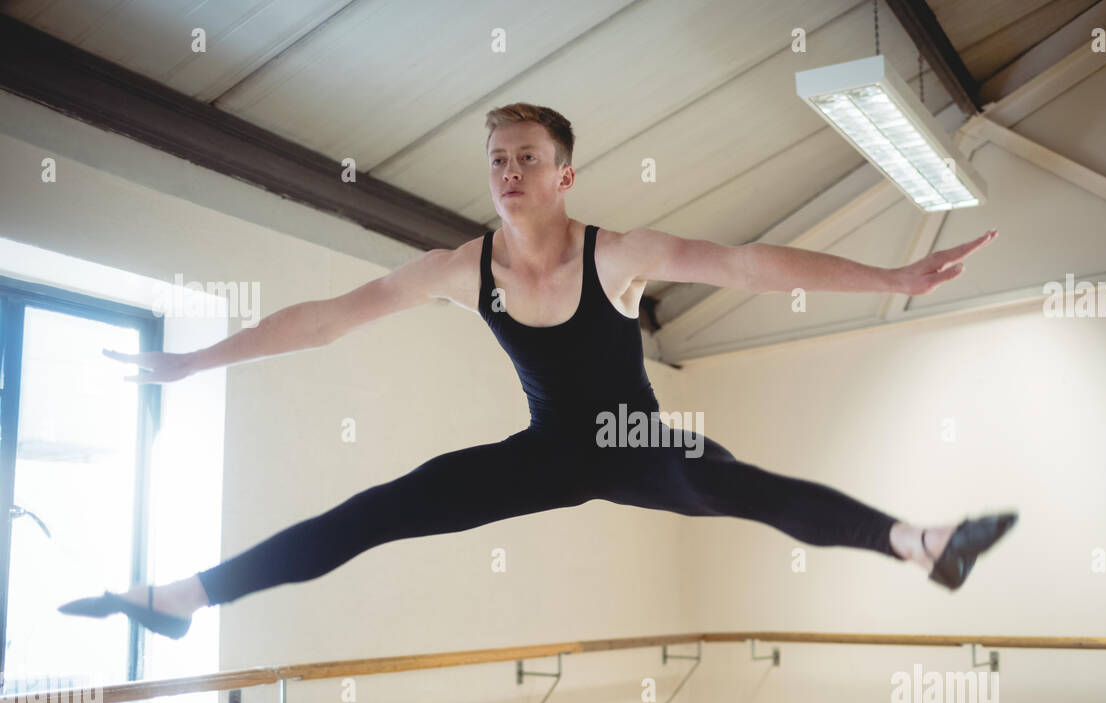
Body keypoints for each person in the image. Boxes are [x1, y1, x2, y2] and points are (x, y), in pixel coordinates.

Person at [59, 103, 1016, 640]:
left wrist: (889, 275)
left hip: (634, 443)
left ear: (564, 175)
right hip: (547, 452)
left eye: (526, 158)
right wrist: (192, 360)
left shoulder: (617, 254)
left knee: (726, 483)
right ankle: (184, 600)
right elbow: (326, 321)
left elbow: (746, 264)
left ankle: (919, 543)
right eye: (496, 161)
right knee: (380, 509)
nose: (507, 172)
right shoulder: (458, 269)